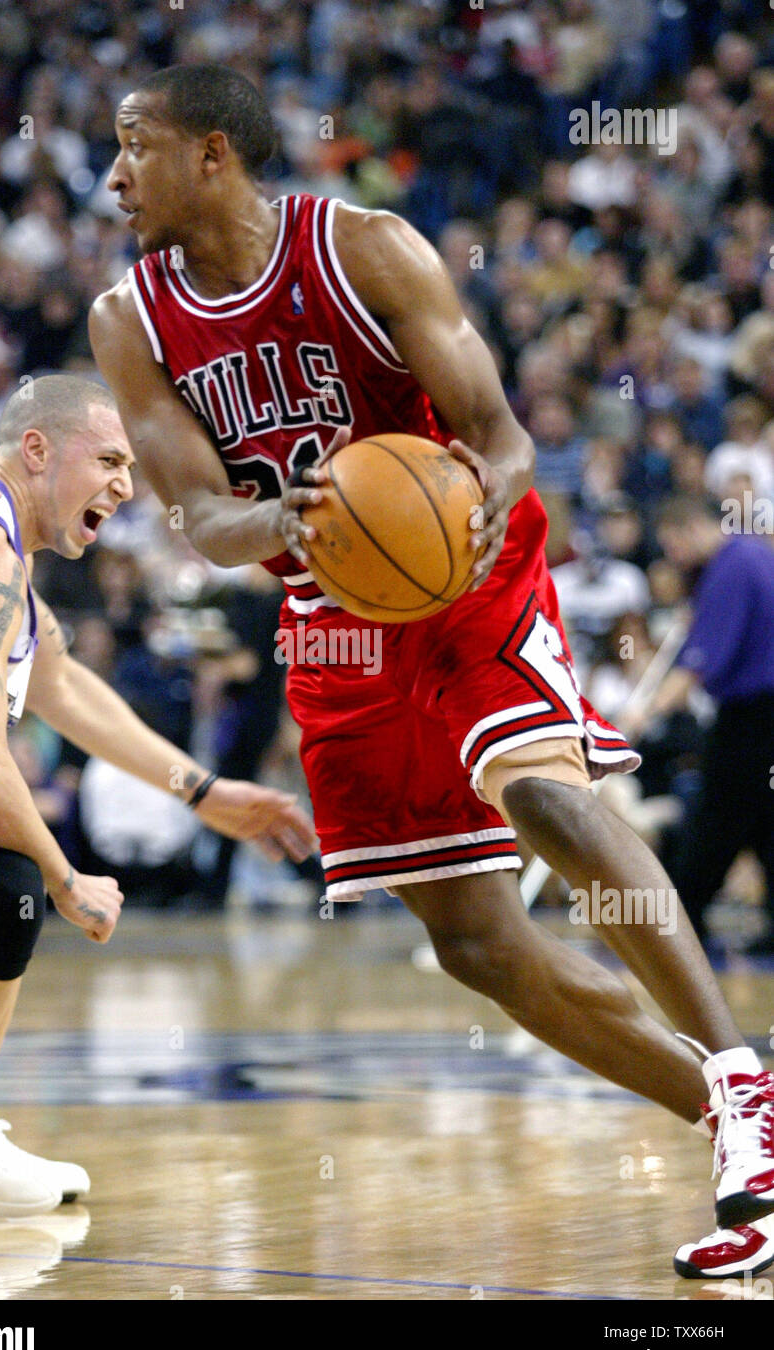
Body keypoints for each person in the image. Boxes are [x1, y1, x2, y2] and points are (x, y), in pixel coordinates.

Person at [88, 64, 774, 1279]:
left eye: (134, 146)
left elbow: (504, 439)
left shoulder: (367, 250)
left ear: (211, 154)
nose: (111, 174)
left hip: (461, 561)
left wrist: (470, 506)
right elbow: (197, 510)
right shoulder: (128, 319)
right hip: (329, 612)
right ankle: (741, 1137)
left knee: (544, 790)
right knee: (473, 943)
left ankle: (740, 1075)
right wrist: (285, 523)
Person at [0, 374, 316, 1217]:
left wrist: (202, 790)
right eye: (110, 459)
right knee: (6, 882)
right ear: (36, 450)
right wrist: (63, 876)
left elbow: (66, 688)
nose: (127, 483)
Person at [632, 495, 774, 957]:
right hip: (761, 711)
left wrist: (645, 713)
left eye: (672, 544)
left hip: (754, 715)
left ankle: (683, 916)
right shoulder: (754, 555)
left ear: (689, 527)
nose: (672, 557)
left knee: (718, 811)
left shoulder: (729, 569)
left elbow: (698, 664)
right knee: (765, 819)